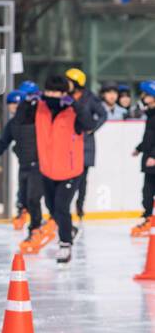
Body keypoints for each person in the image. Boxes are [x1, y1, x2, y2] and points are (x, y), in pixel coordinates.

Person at [0, 89, 47, 253]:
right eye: (11, 104)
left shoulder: (37, 119)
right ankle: (35, 225)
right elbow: (2, 143)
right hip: (24, 165)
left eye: (17, 103)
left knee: (33, 198)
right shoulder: (13, 124)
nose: (14, 107)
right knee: (24, 199)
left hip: (38, 166)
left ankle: (36, 228)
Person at [34, 74, 89, 264]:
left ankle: (65, 244)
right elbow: (19, 118)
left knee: (61, 207)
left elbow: (90, 123)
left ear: (65, 93)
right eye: (47, 91)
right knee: (51, 208)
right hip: (47, 168)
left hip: (70, 171)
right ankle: (70, 229)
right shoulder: (40, 108)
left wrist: (75, 104)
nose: (51, 96)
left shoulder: (74, 112)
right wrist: (28, 100)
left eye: (55, 93)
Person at [64, 67, 106, 226]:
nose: (66, 84)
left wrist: (92, 128)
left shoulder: (89, 98)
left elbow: (103, 114)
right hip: (68, 143)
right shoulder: (65, 97)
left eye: (69, 81)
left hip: (85, 145)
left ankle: (79, 207)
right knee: (67, 177)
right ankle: (64, 207)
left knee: (81, 179)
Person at [131, 81, 155, 236]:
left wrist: (154, 155)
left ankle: (149, 218)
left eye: (146, 94)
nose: (143, 97)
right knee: (147, 191)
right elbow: (150, 136)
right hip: (148, 157)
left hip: (153, 158)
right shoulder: (150, 113)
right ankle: (148, 217)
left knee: (149, 190)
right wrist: (139, 148)